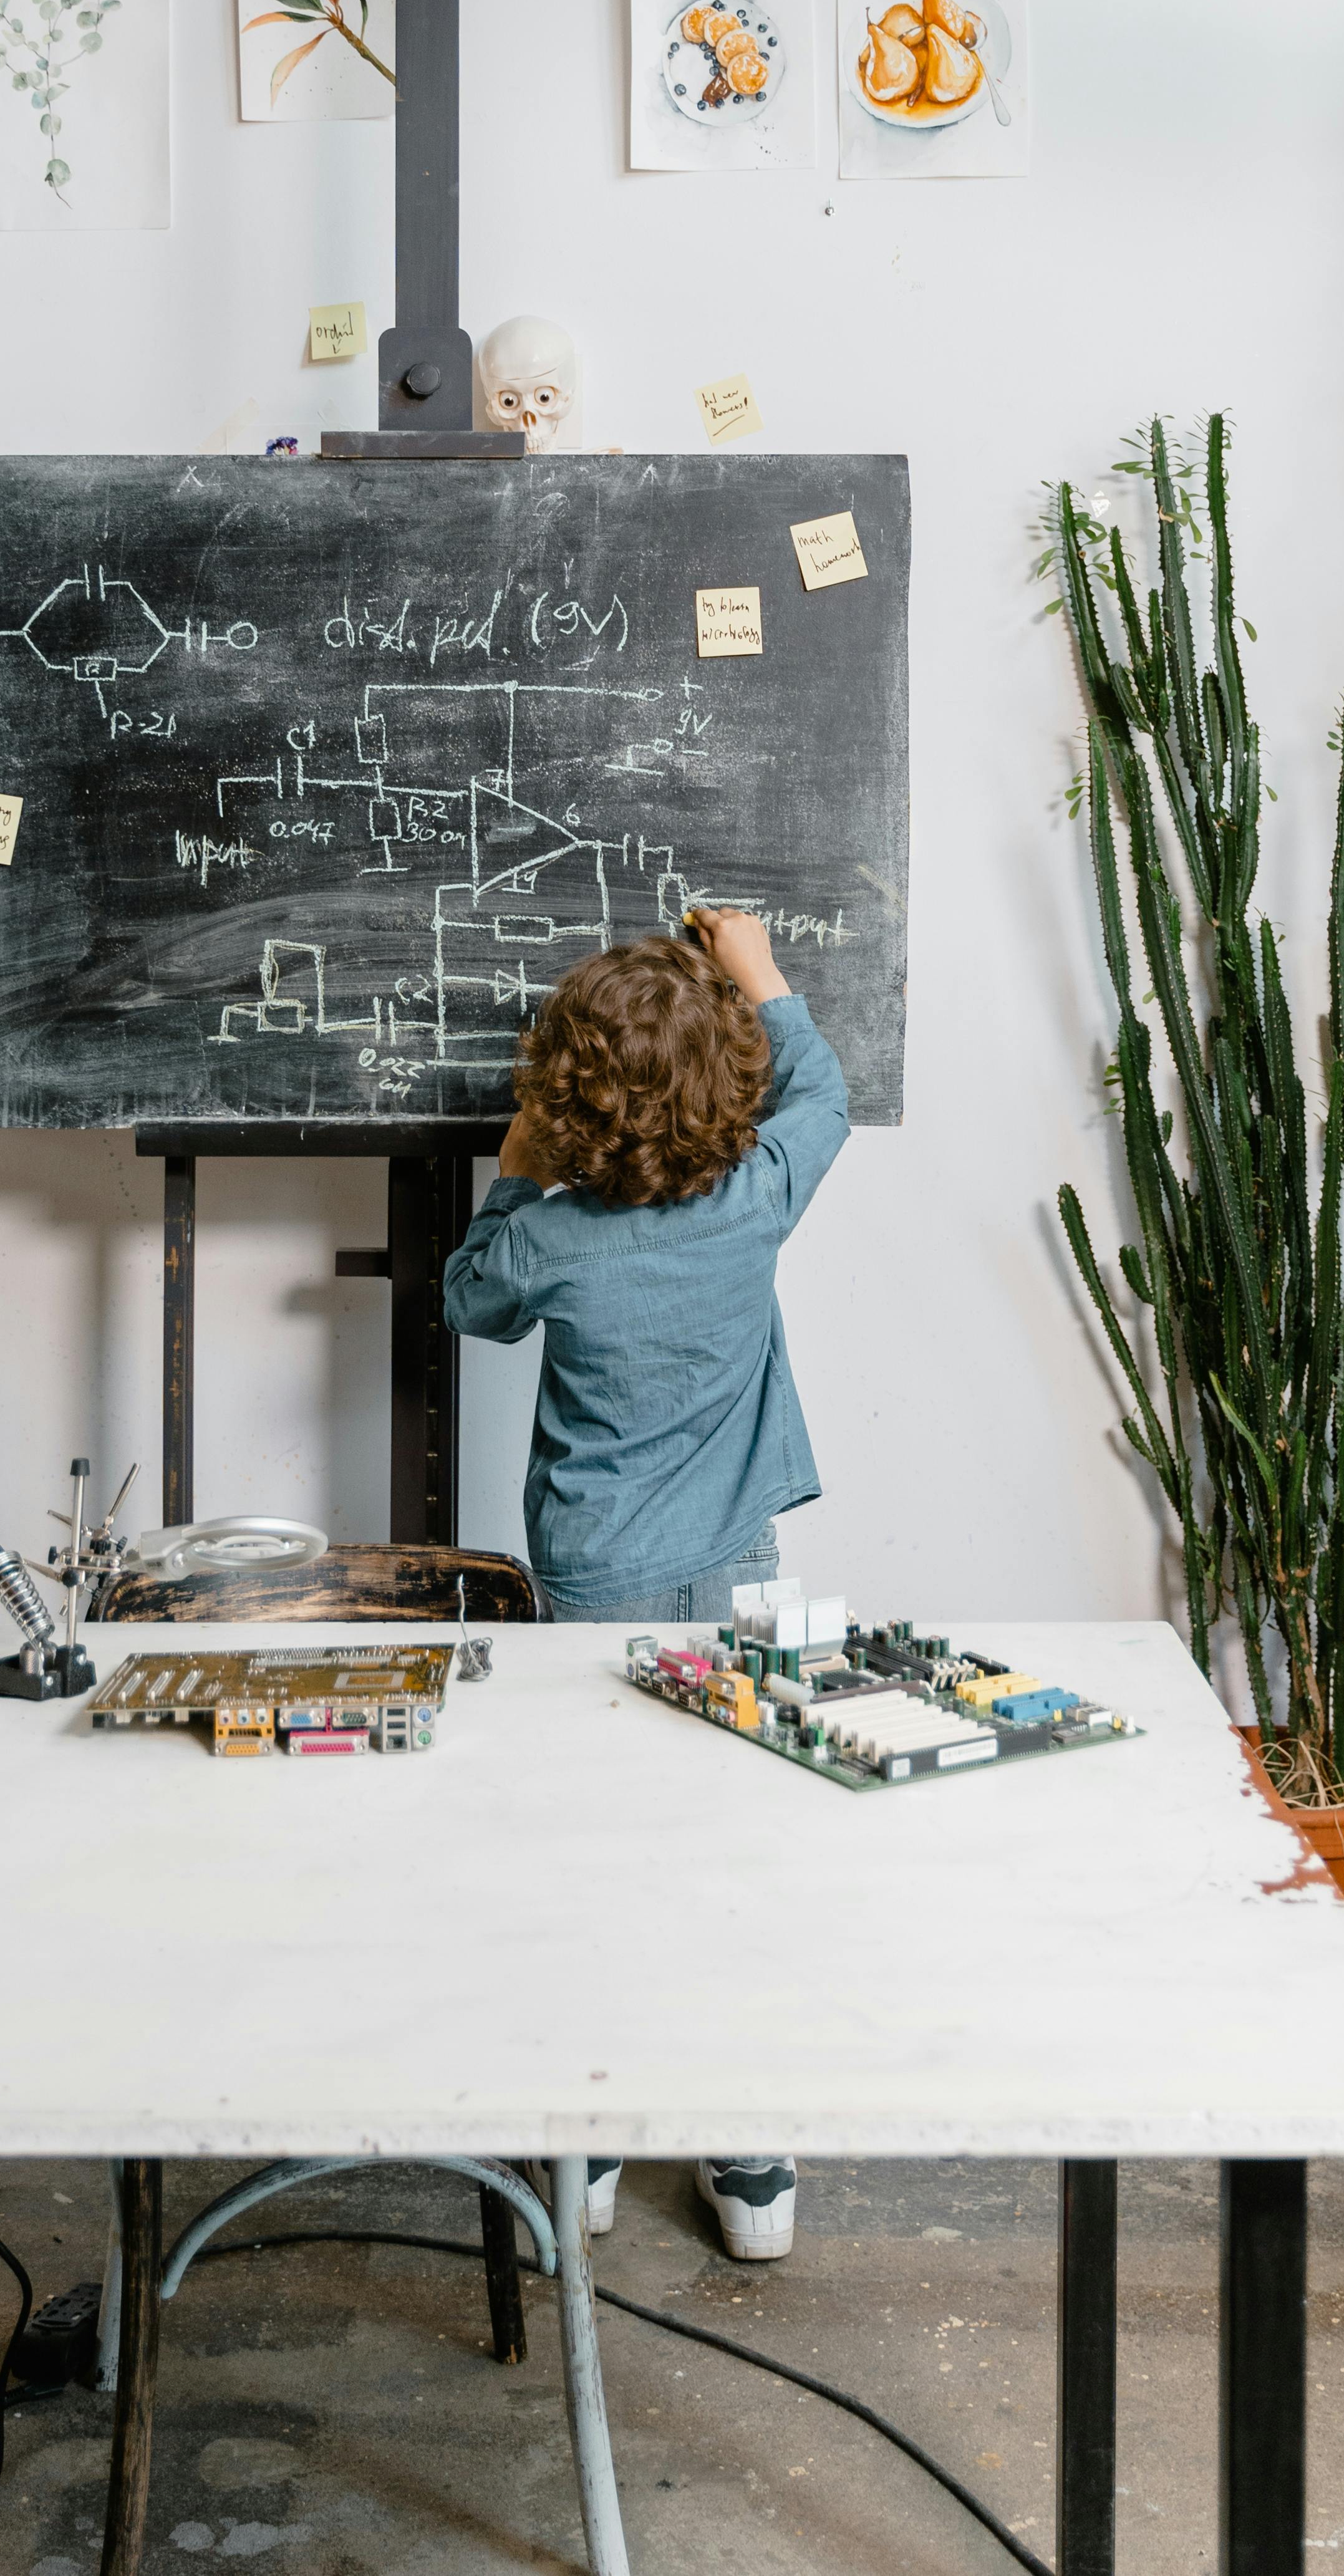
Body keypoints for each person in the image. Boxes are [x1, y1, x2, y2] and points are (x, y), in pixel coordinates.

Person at [443, 905, 849, 2263]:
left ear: (567, 1101)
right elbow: (825, 1093)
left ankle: (595, 2147)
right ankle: (748, 2170)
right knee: (725, 1857)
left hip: (593, 1578)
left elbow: (468, 1298)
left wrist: (514, 1166)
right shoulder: (754, 1203)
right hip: (735, 1571)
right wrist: (757, 970)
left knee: (600, 1857)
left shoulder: (550, 1238)